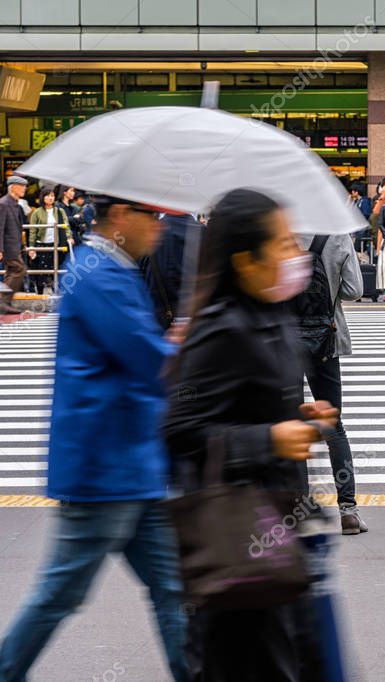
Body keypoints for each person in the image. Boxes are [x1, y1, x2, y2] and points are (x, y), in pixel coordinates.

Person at [0, 195, 188, 682]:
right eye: (152, 216)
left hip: (127, 465)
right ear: (122, 217)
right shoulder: (102, 276)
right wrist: (183, 342)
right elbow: (148, 360)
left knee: (171, 587)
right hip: (105, 469)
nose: (160, 227)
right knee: (59, 592)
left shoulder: (107, 269)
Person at [164, 189, 338, 680]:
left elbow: (252, 400)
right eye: (282, 244)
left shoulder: (270, 311)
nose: (295, 255)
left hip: (279, 533)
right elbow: (179, 430)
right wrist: (269, 438)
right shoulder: (221, 327)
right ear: (245, 260)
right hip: (238, 548)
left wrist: (299, 414)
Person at [294, 230, 366, 534]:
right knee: (333, 425)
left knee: (292, 424)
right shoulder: (336, 236)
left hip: (286, 341)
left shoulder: (278, 228)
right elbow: (354, 289)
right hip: (326, 339)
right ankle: (348, 510)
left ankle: (298, 508)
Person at [139, 211, 201, 329]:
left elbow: (140, 278)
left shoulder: (150, 234)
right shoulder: (206, 233)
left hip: (157, 323)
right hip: (197, 326)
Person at [27, 186, 69, 295]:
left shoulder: (60, 211)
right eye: (47, 195)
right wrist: (32, 247)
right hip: (41, 245)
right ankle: (40, 294)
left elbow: (66, 227)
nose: (50, 198)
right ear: (42, 197)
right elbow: (32, 231)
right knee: (40, 272)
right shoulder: (37, 212)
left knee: (55, 270)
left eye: (52, 195)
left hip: (55, 245)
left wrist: (69, 237)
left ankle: (56, 295)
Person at [0, 176, 28, 313]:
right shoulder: (3, 203)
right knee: (19, 269)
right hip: (7, 247)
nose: (25, 189)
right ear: (13, 187)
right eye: (22, 186)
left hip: (14, 246)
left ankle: (6, 303)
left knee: (11, 272)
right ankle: (2, 301)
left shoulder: (15, 204)